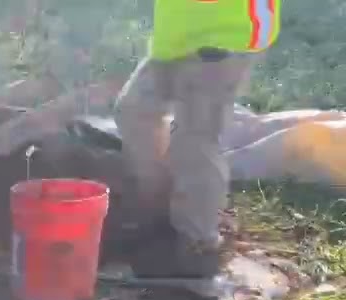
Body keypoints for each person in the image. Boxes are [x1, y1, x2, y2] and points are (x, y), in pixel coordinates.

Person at [114, 0, 281, 278]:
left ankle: (199, 243)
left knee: (195, 141)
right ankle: (159, 209)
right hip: (176, 38)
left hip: (224, 39)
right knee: (134, 110)